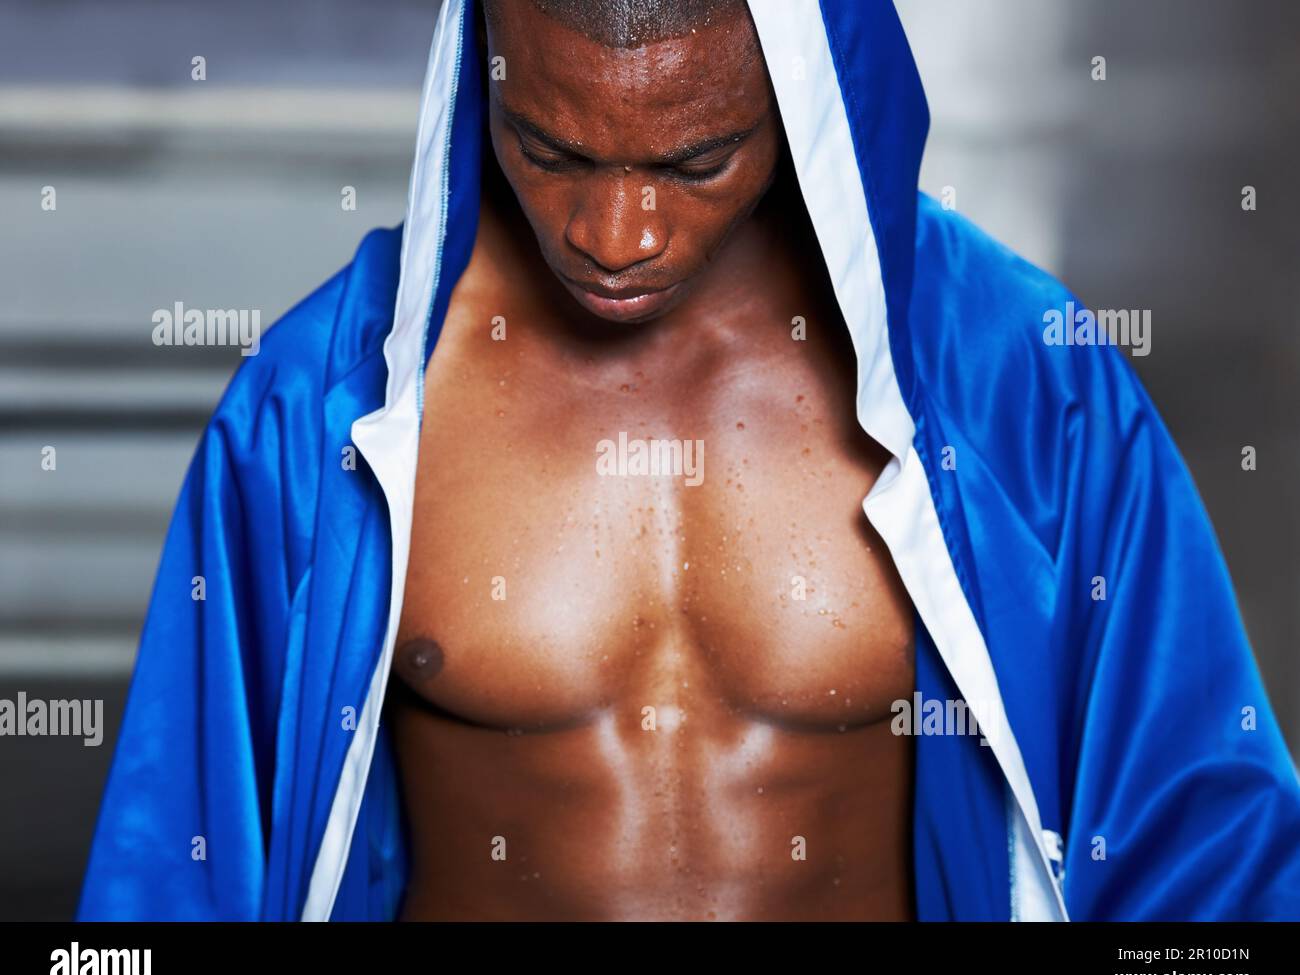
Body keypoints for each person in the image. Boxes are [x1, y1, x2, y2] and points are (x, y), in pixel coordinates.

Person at [78, 0, 1300, 922]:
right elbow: (174, 879)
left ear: (805, 92)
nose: (614, 238)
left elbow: (1205, 860)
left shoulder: (1027, 387)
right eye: (549, 150)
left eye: (692, 161)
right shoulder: (323, 411)